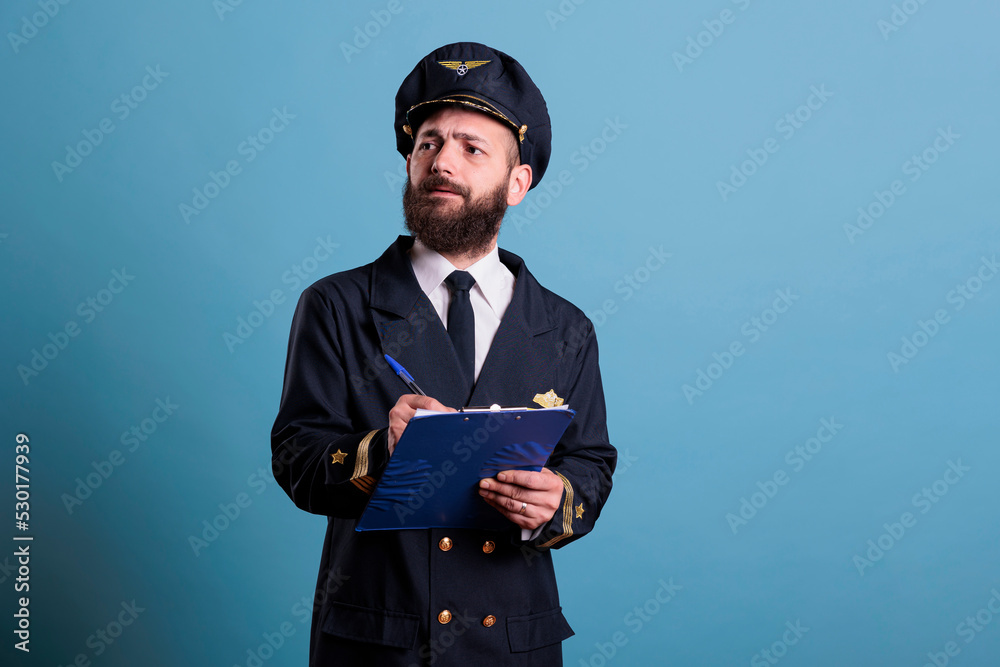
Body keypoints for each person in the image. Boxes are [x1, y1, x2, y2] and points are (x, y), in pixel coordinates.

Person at [271, 41, 616, 666]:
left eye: (470, 147)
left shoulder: (566, 328)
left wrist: (554, 500)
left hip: (513, 643)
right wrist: (380, 449)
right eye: (428, 143)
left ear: (517, 184)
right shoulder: (336, 304)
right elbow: (296, 456)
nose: (441, 162)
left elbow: (590, 461)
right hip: (381, 643)